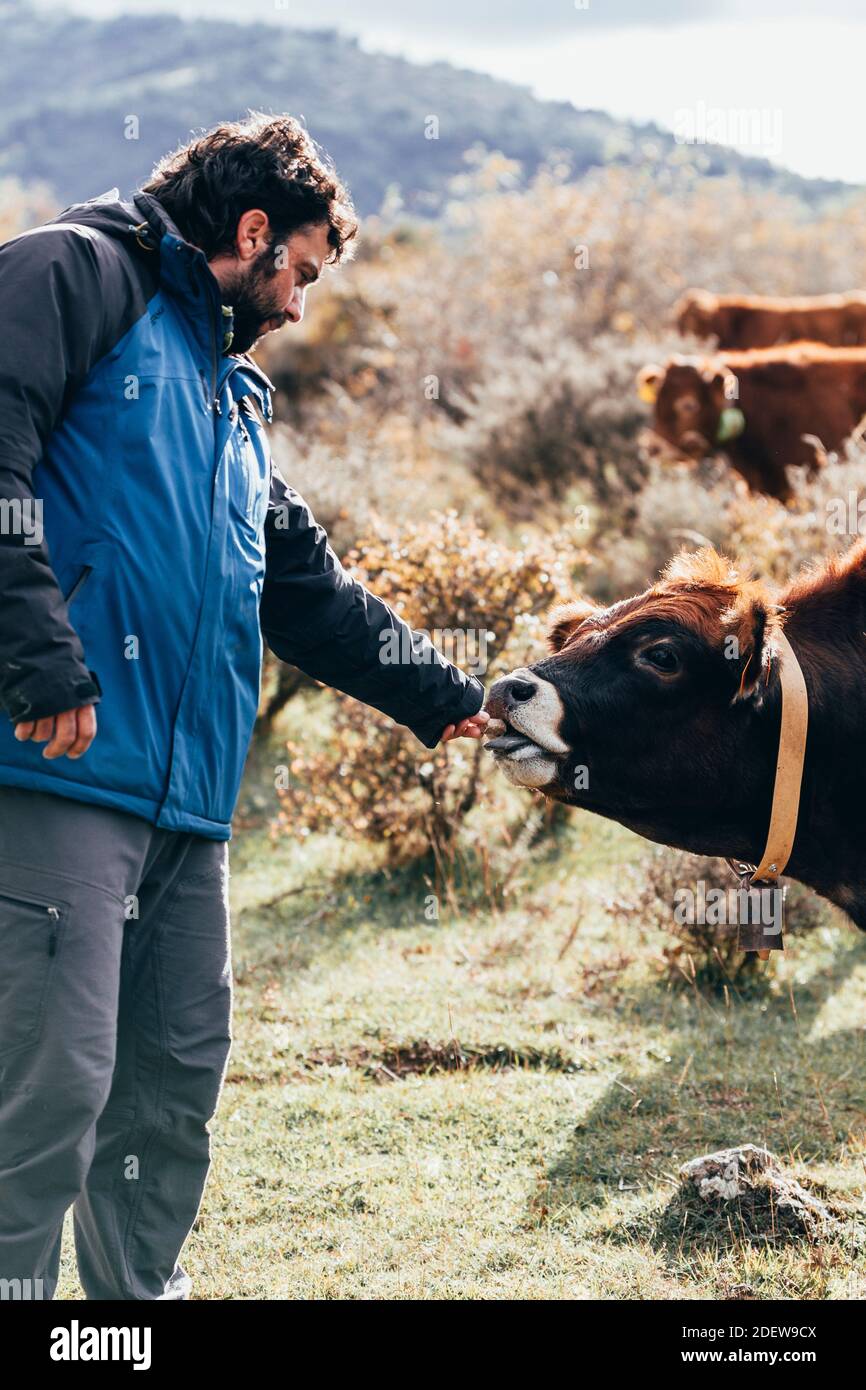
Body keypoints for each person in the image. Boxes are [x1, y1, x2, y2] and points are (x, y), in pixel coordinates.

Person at [0, 113, 488, 1300]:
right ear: (254, 230)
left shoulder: (230, 392)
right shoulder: (71, 272)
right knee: (49, 1079)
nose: (301, 306)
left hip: (189, 805)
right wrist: (40, 655)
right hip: (58, 765)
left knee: (169, 1086)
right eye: (303, 274)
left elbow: (304, 590)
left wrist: (446, 695)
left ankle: (125, 1323)